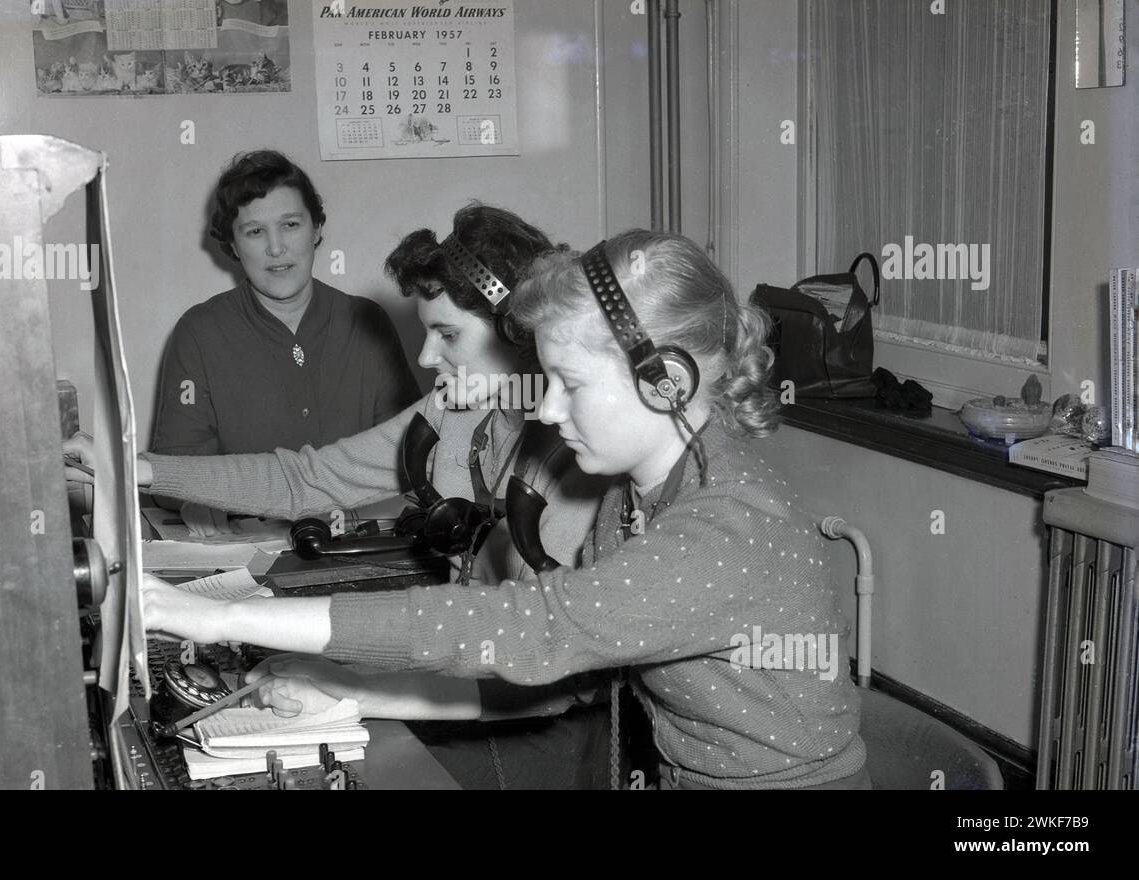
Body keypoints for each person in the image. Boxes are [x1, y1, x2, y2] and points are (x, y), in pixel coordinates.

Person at [138, 228, 869, 789]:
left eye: (569, 383)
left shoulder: (725, 525)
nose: (547, 407)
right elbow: (557, 677)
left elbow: (529, 627)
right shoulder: (635, 491)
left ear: (665, 381)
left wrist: (217, 617)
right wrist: (349, 692)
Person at [70, 204, 615, 788]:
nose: (428, 358)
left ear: (519, 333)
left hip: (539, 725)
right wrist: (136, 471)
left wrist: (348, 685)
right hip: (457, 676)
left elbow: (541, 668)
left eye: (447, 334)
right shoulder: (457, 408)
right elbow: (308, 479)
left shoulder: (579, 461)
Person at [152, 150, 420, 531]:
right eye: (255, 231)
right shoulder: (199, 331)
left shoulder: (367, 321)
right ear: (232, 243)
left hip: (356, 538)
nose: (276, 248)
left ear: (316, 229)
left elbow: (412, 452)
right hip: (248, 546)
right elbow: (173, 465)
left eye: (290, 225)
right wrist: (193, 500)